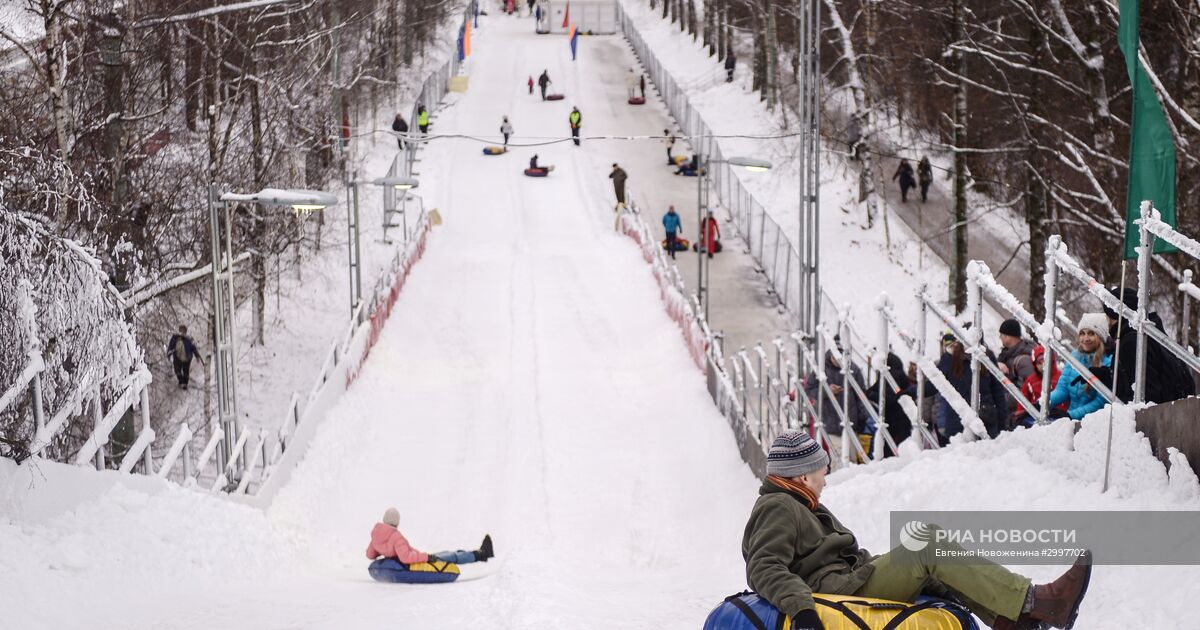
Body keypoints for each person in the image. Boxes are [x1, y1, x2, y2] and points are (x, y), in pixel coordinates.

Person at [744, 431, 1093, 630]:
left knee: (933, 563)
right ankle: (1039, 601)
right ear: (803, 475)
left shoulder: (801, 504)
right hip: (836, 592)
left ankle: (1014, 622)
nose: (825, 478)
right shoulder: (778, 506)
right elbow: (764, 566)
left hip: (849, 580)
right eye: (821, 470)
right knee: (926, 543)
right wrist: (802, 609)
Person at [1103, 286, 1195, 404]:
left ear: (1114, 314)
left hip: (1158, 417)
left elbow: (1146, 392)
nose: (1106, 319)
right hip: (1177, 409)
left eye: (1107, 314)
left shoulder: (1131, 342)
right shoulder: (1153, 334)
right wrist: (1106, 375)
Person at [367, 507, 495, 566]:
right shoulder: (395, 536)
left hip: (403, 562)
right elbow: (406, 558)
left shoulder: (376, 535)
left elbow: (370, 555)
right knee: (451, 557)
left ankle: (476, 554)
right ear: (397, 521)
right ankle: (481, 554)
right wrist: (427, 557)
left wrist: (384, 554)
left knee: (446, 553)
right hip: (413, 563)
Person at [1047, 314, 1113, 420]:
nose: (1085, 338)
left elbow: (1101, 402)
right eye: (1082, 333)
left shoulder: (1109, 361)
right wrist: (1043, 403)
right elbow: (1062, 390)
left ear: (1100, 336)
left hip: (1094, 423)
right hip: (1071, 420)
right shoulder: (1074, 357)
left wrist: (1070, 415)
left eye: (1091, 334)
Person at [802, 340, 869, 440]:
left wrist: (862, 419)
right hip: (830, 426)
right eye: (836, 359)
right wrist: (827, 391)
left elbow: (861, 396)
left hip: (851, 424)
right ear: (831, 356)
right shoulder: (821, 370)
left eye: (841, 360)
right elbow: (808, 391)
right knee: (836, 454)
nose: (839, 362)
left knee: (851, 455)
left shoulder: (854, 370)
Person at [1013, 344, 1067, 427]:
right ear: (1035, 364)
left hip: (1058, 414)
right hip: (1035, 414)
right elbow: (1024, 399)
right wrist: (1020, 413)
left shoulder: (1060, 377)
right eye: (1039, 363)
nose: (1043, 365)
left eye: (1045, 361)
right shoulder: (1030, 381)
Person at [996, 318, 1035, 419]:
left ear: (1009, 336)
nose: (1000, 337)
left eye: (1002, 335)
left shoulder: (1024, 360)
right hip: (1008, 409)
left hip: (1018, 415)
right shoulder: (1007, 354)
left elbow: (1026, 392)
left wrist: (998, 401)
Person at [167, 325, 202, 389]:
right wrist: (169, 353)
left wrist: (197, 356)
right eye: (181, 330)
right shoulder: (175, 337)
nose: (182, 332)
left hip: (187, 357)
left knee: (185, 370)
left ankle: (185, 384)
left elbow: (194, 348)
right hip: (177, 356)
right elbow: (171, 345)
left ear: (185, 331)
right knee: (177, 369)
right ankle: (180, 381)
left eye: (183, 330)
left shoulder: (189, 338)